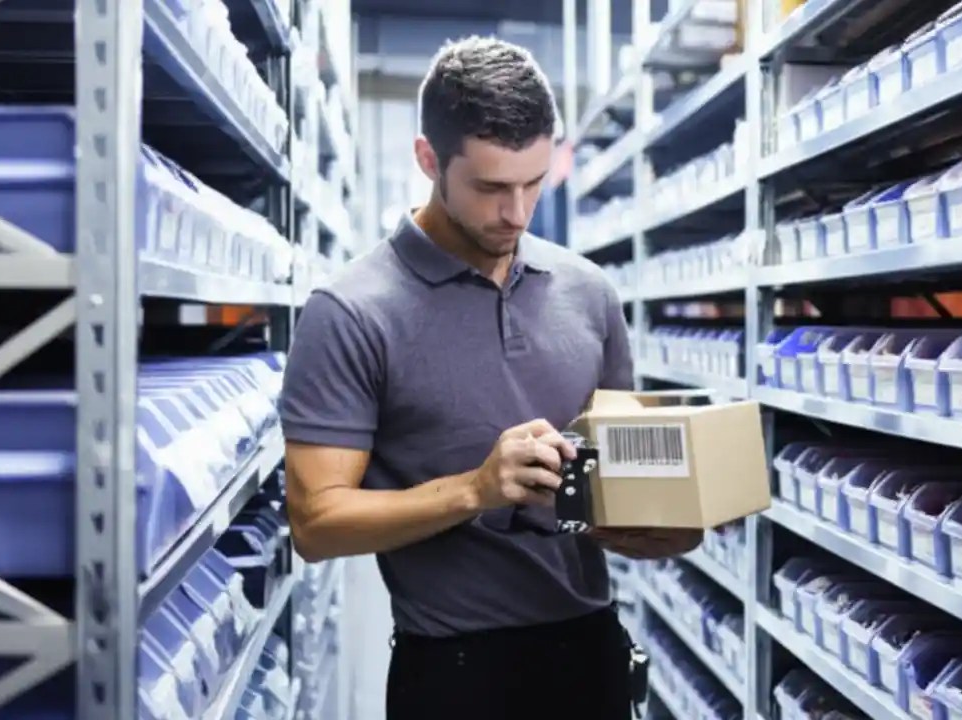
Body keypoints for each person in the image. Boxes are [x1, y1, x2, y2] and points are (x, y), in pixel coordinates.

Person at [278, 36, 702, 719]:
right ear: (428, 160)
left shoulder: (589, 293)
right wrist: (477, 489)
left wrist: (665, 525)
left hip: (590, 650)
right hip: (454, 670)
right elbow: (316, 523)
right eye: (490, 187)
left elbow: (626, 494)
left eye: (533, 183)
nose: (516, 213)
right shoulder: (351, 311)